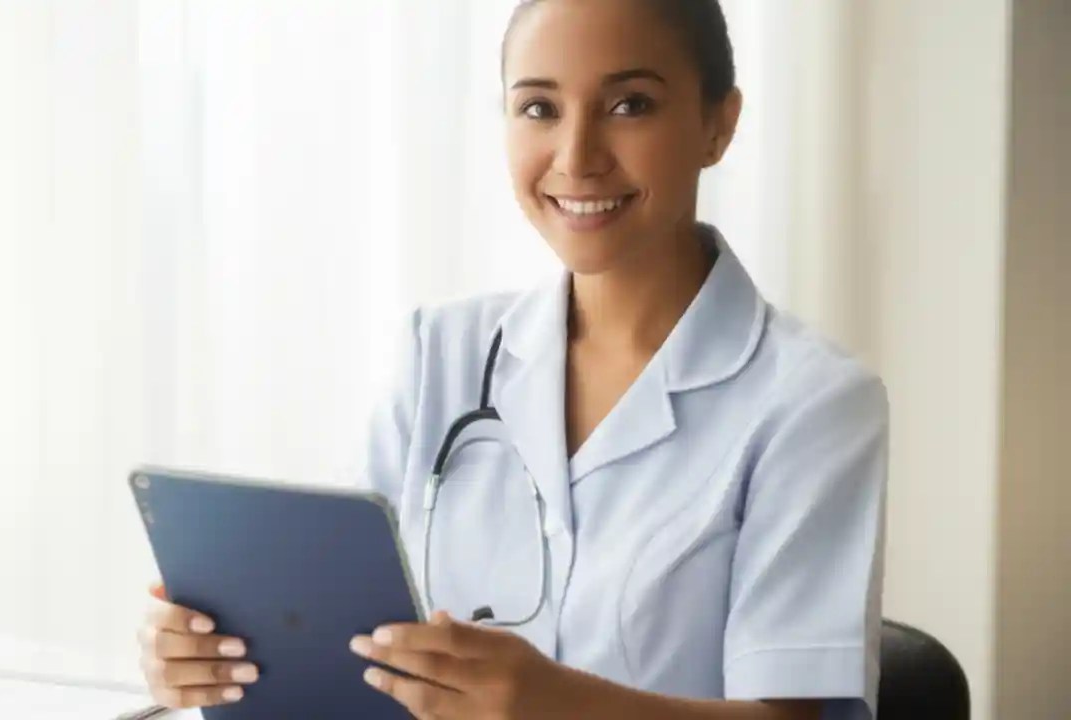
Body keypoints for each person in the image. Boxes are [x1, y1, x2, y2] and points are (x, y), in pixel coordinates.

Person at [136, 0, 888, 718]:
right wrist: (214, 654)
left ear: (718, 126)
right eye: (539, 108)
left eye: (630, 105)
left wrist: (559, 707)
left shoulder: (812, 402)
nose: (577, 156)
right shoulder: (441, 352)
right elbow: (344, 637)